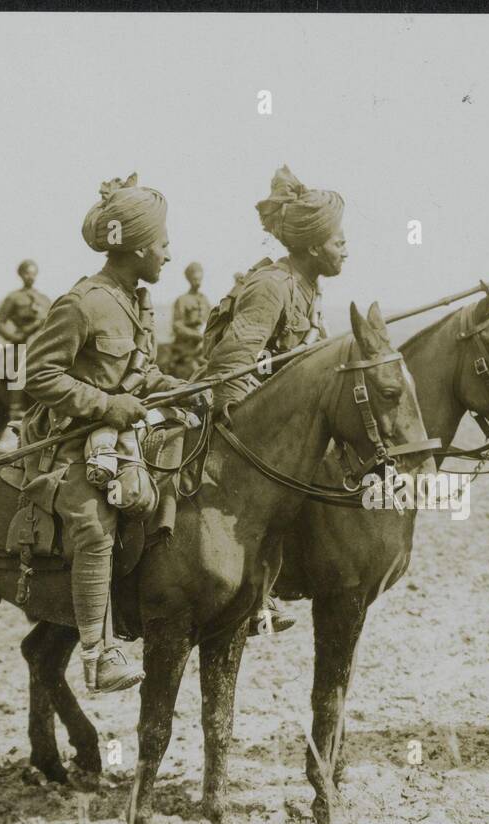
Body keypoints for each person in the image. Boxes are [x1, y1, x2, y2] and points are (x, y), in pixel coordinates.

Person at [20, 174, 198, 694]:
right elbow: (39, 374)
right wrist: (105, 404)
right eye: (163, 244)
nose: (168, 254)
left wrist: (188, 389)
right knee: (95, 526)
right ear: (140, 246)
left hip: (125, 437)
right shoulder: (83, 302)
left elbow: (141, 377)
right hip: (70, 443)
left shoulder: (138, 302)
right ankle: (98, 657)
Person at [199, 164, 347, 634]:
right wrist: (250, 434)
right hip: (248, 423)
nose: (345, 247)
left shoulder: (308, 289)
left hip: (289, 421)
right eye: (337, 239)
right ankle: (252, 594)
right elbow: (233, 363)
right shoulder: (272, 285)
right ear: (311, 246)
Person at [0, 259, 51, 422]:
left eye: (33, 273)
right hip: (22, 342)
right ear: (20, 275)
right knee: (21, 363)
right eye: (27, 273)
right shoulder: (14, 298)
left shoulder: (44, 299)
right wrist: (13, 337)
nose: (30, 277)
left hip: (42, 340)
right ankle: (16, 406)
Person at [167, 261, 211, 377]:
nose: (197, 282)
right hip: (186, 350)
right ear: (189, 279)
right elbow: (177, 326)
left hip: (203, 348)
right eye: (194, 279)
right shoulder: (182, 300)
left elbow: (210, 320)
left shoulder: (205, 300)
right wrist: (197, 335)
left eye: (199, 279)